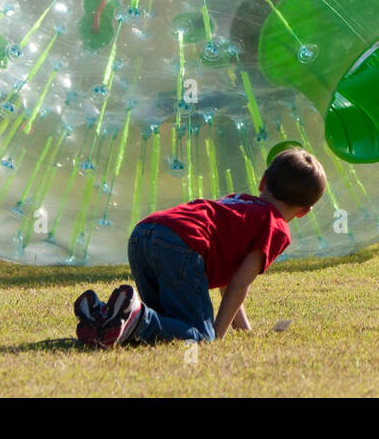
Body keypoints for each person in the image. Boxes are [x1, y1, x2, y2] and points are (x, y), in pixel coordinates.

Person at [73, 146, 327, 347]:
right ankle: (138, 317)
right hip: (179, 245)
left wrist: (244, 330)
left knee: (168, 325)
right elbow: (239, 283)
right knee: (199, 338)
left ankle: (104, 317)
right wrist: (217, 335)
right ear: (305, 212)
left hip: (143, 234)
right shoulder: (275, 226)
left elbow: (228, 280)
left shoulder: (238, 201)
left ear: (262, 183)